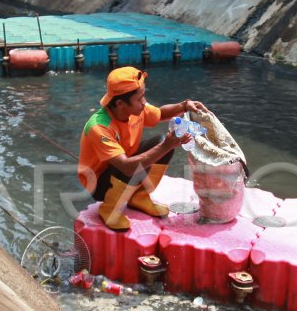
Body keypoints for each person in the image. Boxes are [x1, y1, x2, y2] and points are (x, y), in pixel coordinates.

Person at [77, 67, 206, 230]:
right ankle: (109, 208)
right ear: (120, 104)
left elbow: (160, 114)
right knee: (159, 148)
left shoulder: (134, 110)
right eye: (140, 98)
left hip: (124, 166)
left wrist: (185, 105)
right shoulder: (99, 127)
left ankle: (139, 196)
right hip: (98, 183)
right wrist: (166, 145)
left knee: (161, 144)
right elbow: (127, 167)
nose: (144, 102)